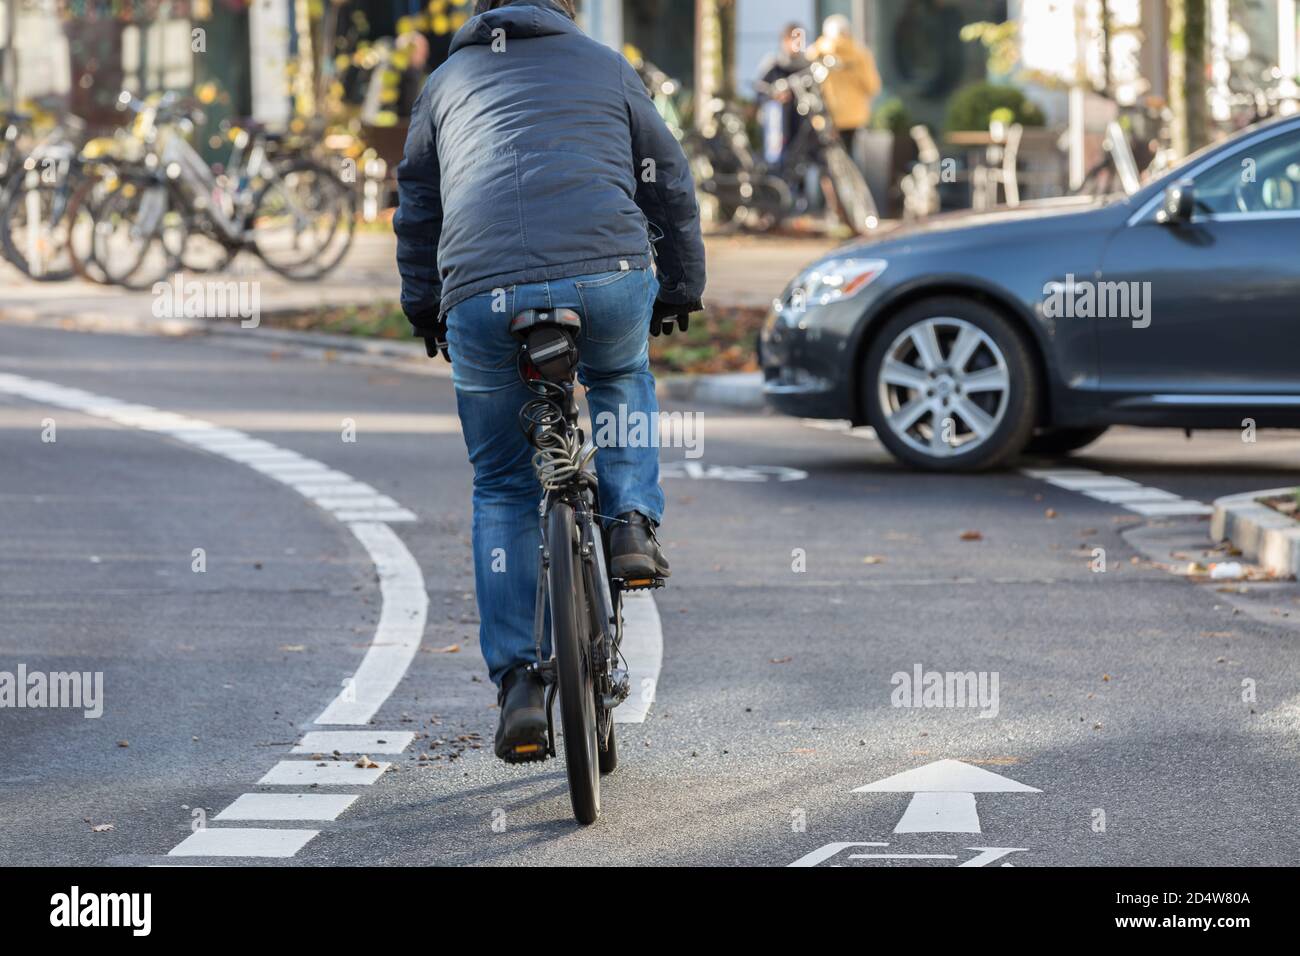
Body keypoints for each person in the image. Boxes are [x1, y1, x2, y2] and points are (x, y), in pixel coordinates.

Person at [392, 0, 706, 764]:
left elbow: (419, 208)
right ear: (564, 7)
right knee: (620, 370)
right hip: (609, 275)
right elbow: (667, 179)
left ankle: (522, 687)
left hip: (482, 294)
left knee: (503, 485)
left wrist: (424, 305)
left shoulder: (445, 80)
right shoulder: (605, 64)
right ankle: (630, 524)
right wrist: (681, 286)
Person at [810, 14, 882, 153]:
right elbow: (873, 86)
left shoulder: (816, 53)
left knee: (826, 160)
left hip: (825, 117)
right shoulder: (860, 54)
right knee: (850, 163)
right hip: (854, 117)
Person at [755, 23, 809, 169]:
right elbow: (760, 92)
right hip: (778, 126)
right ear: (784, 41)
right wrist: (774, 96)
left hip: (802, 126)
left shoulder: (808, 66)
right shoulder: (773, 64)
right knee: (778, 163)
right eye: (793, 39)